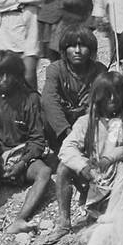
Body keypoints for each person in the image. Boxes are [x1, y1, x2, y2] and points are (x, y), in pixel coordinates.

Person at [0, 51, 55, 245]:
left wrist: (22, 163)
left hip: (22, 154)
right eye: (0, 74)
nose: (5, 79)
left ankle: (20, 219)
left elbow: (37, 139)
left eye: (9, 74)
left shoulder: (30, 98)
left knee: (44, 172)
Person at [47, 72, 123, 243]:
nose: (112, 98)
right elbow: (67, 148)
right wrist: (84, 167)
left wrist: (115, 156)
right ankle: (63, 222)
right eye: (107, 94)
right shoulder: (87, 122)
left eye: (117, 93)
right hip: (97, 182)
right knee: (64, 168)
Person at [41, 24, 109, 156]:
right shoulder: (55, 69)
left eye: (83, 46)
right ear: (64, 50)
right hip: (61, 127)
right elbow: (49, 99)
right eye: (72, 46)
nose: (77, 50)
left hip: (88, 124)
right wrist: (66, 131)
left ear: (91, 49)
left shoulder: (100, 70)